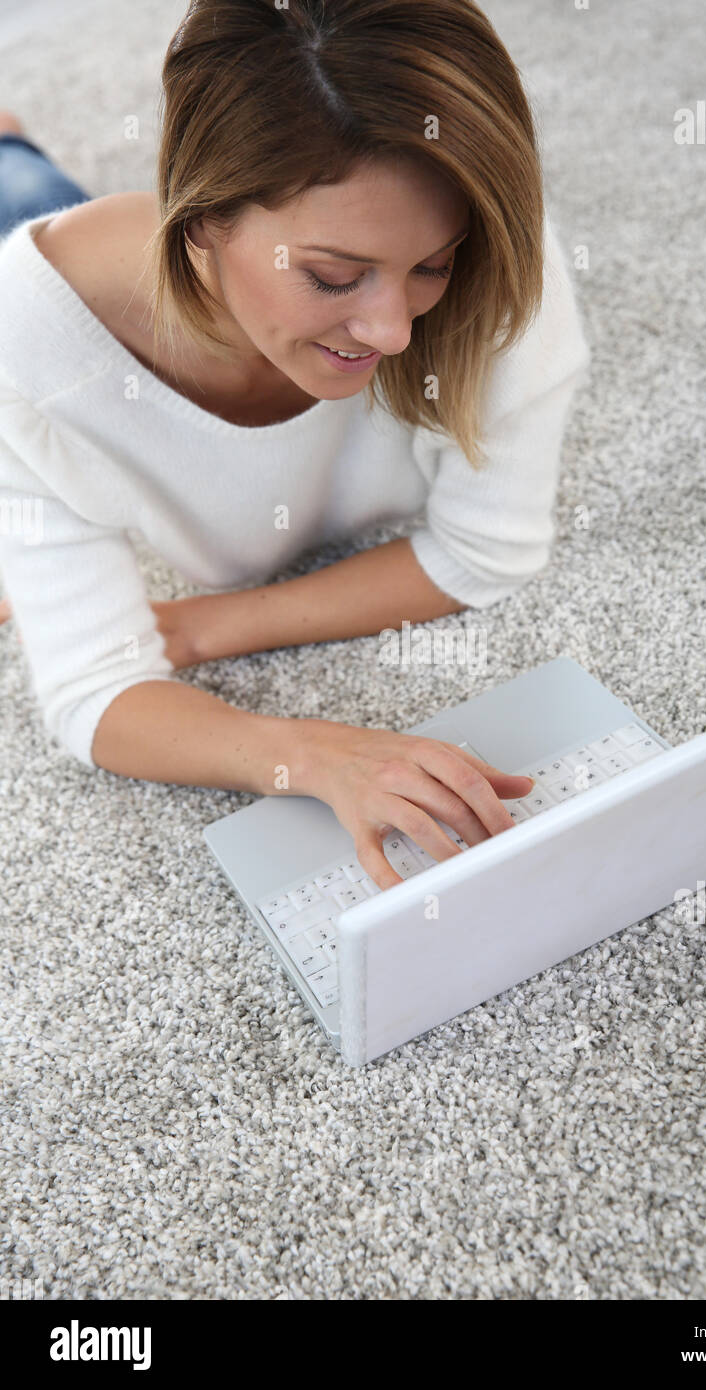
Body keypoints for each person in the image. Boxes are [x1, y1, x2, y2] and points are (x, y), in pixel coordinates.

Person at [0, 0, 589, 889]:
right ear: (200, 218)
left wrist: (194, 628)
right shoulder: (26, 355)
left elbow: (488, 551)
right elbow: (91, 695)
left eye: (431, 264)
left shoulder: (497, 264)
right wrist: (314, 757)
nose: (393, 330)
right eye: (334, 276)